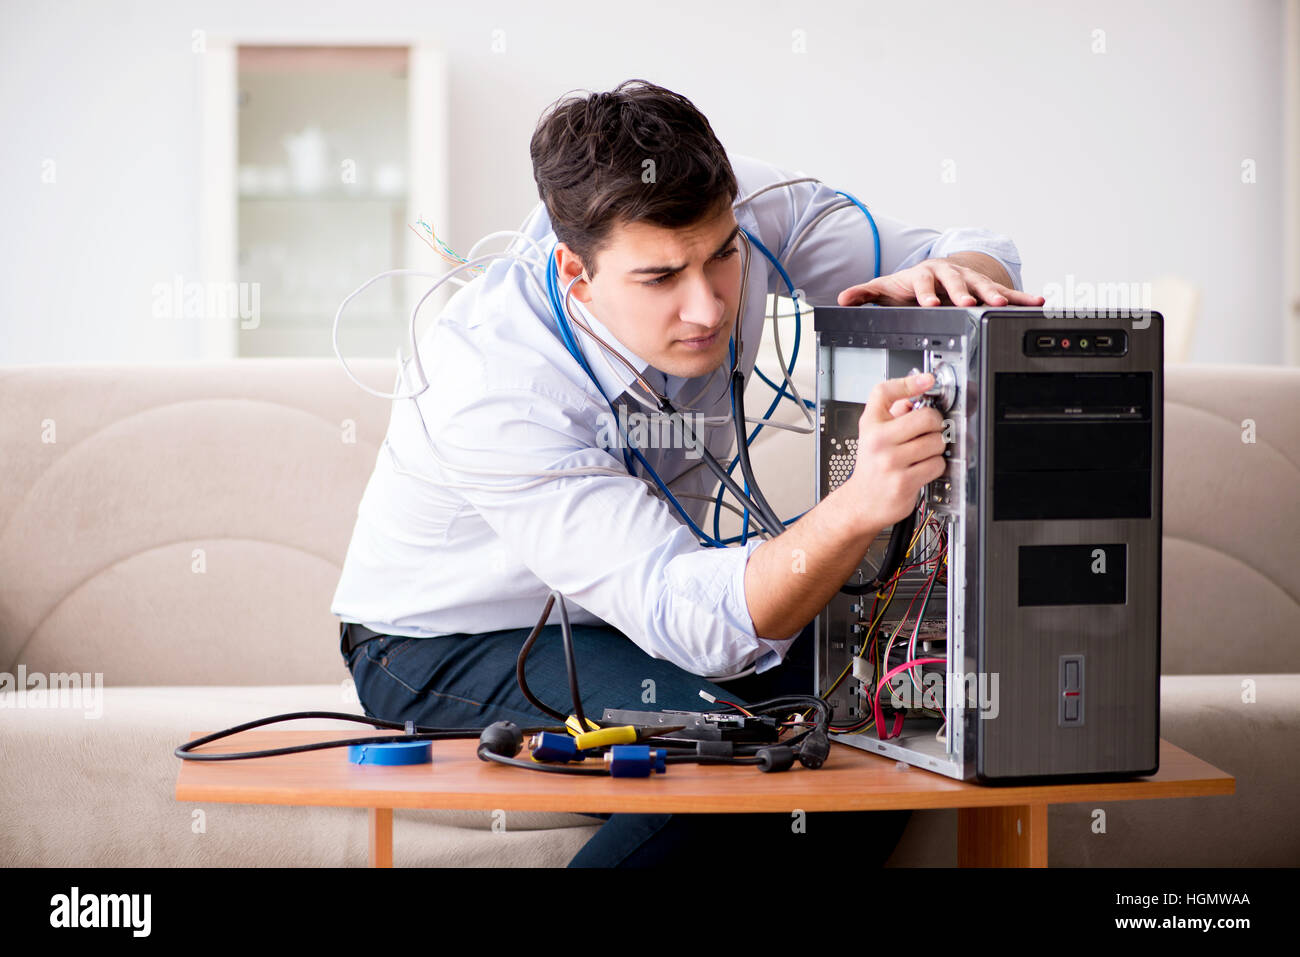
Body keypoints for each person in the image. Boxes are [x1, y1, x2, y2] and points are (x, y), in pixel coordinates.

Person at [331, 78, 1044, 867]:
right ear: (575, 273)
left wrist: (949, 279)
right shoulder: (493, 384)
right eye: (661, 278)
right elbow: (691, 618)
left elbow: (978, 250)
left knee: (890, 693)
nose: (707, 309)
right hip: (445, 639)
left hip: (637, 611)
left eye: (721, 258)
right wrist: (856, 506)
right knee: (738, 749)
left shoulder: (752, 207)